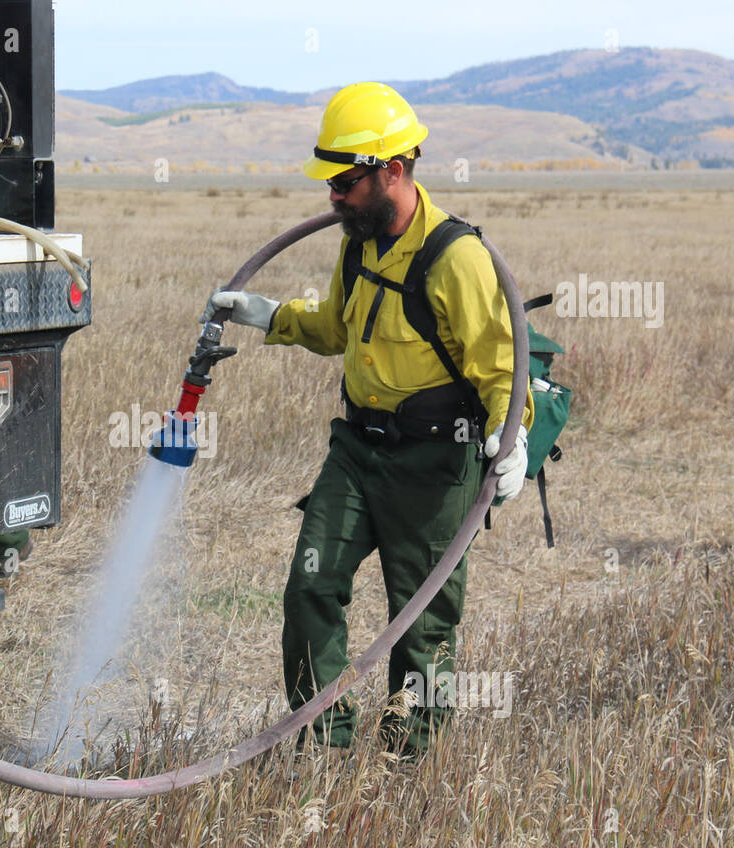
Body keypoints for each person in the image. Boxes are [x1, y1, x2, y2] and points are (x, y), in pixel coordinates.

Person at [201, 83, 534, 758]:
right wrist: (270, 314)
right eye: (330, 183)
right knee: (309, 590)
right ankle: (326, 746)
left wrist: (513, 438)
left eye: (346, 182)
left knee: (422, 629)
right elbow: (333, 328)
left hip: (436, 466)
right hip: (356, 452)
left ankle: (409, 766)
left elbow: (503, 370)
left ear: (394, 171)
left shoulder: (456, 259)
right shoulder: (356, 245)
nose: (334, 197)